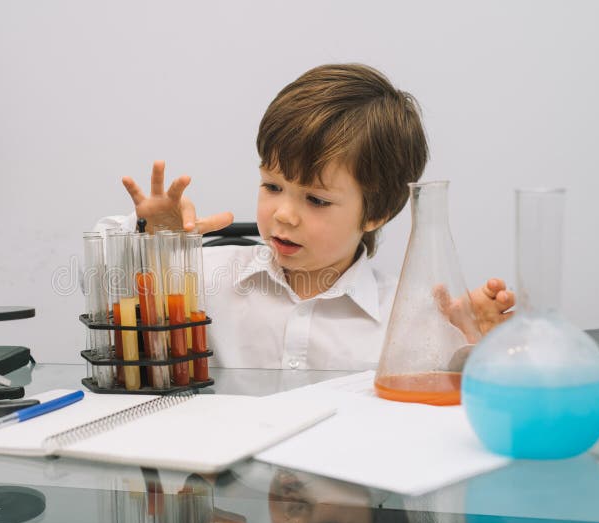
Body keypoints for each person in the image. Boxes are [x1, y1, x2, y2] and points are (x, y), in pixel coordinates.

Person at [100, 64, 513, 370]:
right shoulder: (202, 278)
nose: (283, 214)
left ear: (378, 212)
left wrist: (470, 344)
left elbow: (447, 413)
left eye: (315, 200)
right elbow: (103, 284)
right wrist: (153, 240)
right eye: (272, 186)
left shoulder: (409, 318)